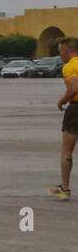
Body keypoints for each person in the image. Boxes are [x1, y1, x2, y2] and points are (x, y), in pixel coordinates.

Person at [47, 37, 78, 200]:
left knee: (67, 151)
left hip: (76, 109)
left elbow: (74, 88)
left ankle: (65, 189)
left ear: (66, 50)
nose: (60, 56)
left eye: (60, 53)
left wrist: (62, 101)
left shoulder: (69, 67)